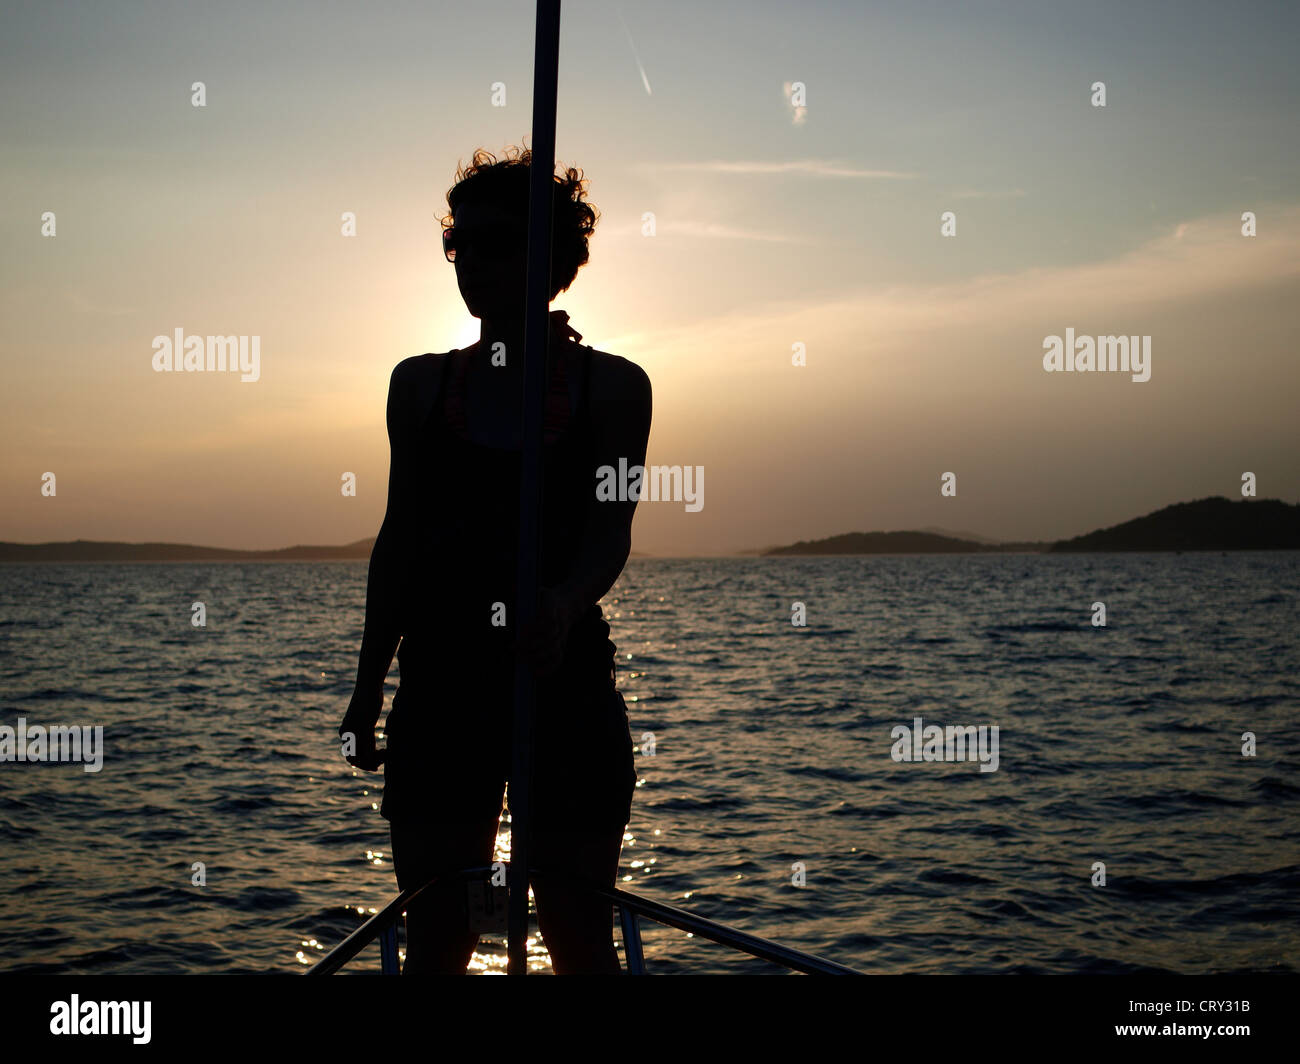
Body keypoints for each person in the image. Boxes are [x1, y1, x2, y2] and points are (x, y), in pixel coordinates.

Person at [338, 145, 652, 974]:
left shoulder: (615, 390)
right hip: (440, 690)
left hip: (566, 686)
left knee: (578, 934)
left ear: (554, 258)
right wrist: (368, 688)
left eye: (499, 242)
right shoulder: (418, 387)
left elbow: (609, 529)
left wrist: (563, 600)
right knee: (438, 938)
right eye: (461, 244)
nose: (473, 261)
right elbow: (399, 539)